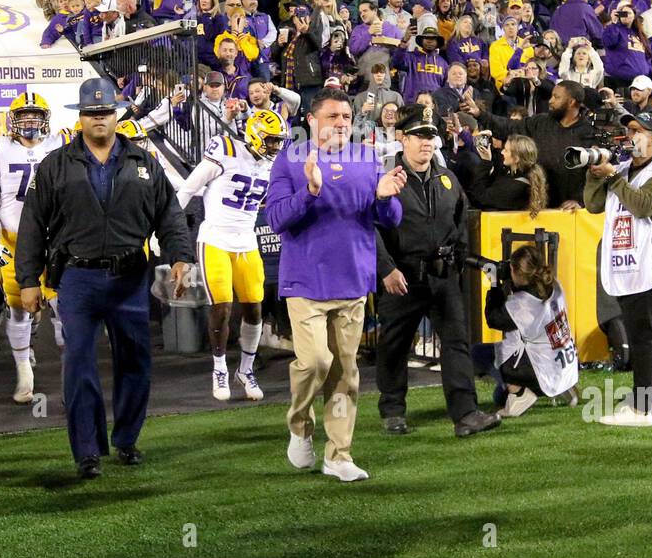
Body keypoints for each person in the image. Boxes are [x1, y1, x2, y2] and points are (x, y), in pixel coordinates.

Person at [15, 78, 193, 479]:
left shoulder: (143, 161)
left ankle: (126, 440)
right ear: (80, 118)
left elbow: (169, 215)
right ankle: (87, 450)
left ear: (117, 115)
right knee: (78, 364)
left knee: (135, 361)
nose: (99, 118)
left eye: (106, 111)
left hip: (130, 276)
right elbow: (32, 226)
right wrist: (28, 278)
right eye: (92, 113)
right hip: (77, 277)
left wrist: (181, 256)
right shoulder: (56, 165)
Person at [265, 87, 406, 482]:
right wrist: (309, 192)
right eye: (333, 117)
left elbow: (391, 218)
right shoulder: (290, 159)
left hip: (352, 282)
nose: (342, 123)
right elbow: (276, 219)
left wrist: (383, 197)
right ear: (311, 120)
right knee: (315, 362)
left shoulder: (366, 158)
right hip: (306, 282)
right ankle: (299, 425)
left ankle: (339, 455)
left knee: (345, 374)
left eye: (346, 116)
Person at [374, 103, 501, 438]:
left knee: (457, 343)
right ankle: (392, 409)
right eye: (418, 136)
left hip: (442, 276)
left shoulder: (447, 179)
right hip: (400, 277)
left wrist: (458, 261)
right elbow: (369, 228)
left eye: (430, 135)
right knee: (394, 344)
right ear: (402, 139)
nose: (426, 142)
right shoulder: (385, 178)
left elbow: (461, 221)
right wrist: (385, 269)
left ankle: (466, 414)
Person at [585, 109, 652, 426]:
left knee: (645, 335)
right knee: (650, 332)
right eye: (628, 130)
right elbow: (592, 204)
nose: (628, 136)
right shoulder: (625, 169)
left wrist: (613, 177)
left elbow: (643, 206)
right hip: (629, 261)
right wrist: (594, 173)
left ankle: (641, 408)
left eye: (635, 130)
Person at [177, 109, 287, 402]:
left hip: (247, 240)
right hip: (214, 238)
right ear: (254, 134)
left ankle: (246, 369)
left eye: (279, 141)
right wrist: (170, 232)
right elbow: (189, 187)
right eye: (272, 140)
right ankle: (219, 368)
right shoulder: (226, 150)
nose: (275, 147)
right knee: (222, 308)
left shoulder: (272, 164)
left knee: (254, 309)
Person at [0, 92, 65, 403]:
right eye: (23, 115)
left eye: (36, 114)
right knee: (19, 309)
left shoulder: (63, 150)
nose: (30, 121)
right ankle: (24, 370)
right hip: (15, 240)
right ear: (12, 121)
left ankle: (72, 371)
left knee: (65, 309)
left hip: (57, 239)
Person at [460, 79, 594, 209]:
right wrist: (479, 113)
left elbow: (596, 174)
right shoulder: (540, 122)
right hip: (539, 206)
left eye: (556, 97)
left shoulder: (590, 133)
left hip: (572, 214)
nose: (550, 101)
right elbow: (508, 127)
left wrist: (581, 200)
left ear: (571, 102)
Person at [483, 243, 580, 418]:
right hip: (565, 363)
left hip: (543, 367)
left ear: (517, 272)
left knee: (479, 355)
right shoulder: (553, 284)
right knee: (499, 396)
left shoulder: (523, 303)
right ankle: (564, 388)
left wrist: (495, 283)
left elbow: (493, 319)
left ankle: (519, 394)